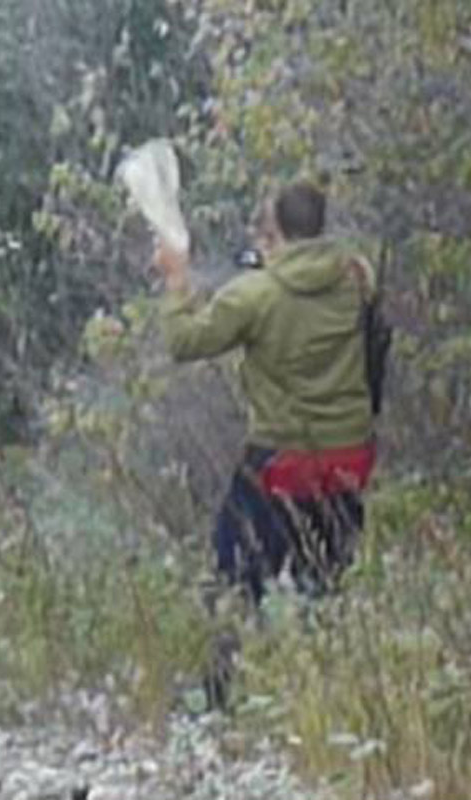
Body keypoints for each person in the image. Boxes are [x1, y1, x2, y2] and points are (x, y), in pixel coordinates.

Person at [152, 182, 380, 702]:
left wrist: (177, 279)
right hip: (350, 458)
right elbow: (315, 277)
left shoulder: (255, 294)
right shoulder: (357, 276)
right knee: (323, 583)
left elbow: (185, 341)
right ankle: (326, 700)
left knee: (233, 575)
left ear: (272, 234)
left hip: (282, 461)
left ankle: (218, 695)